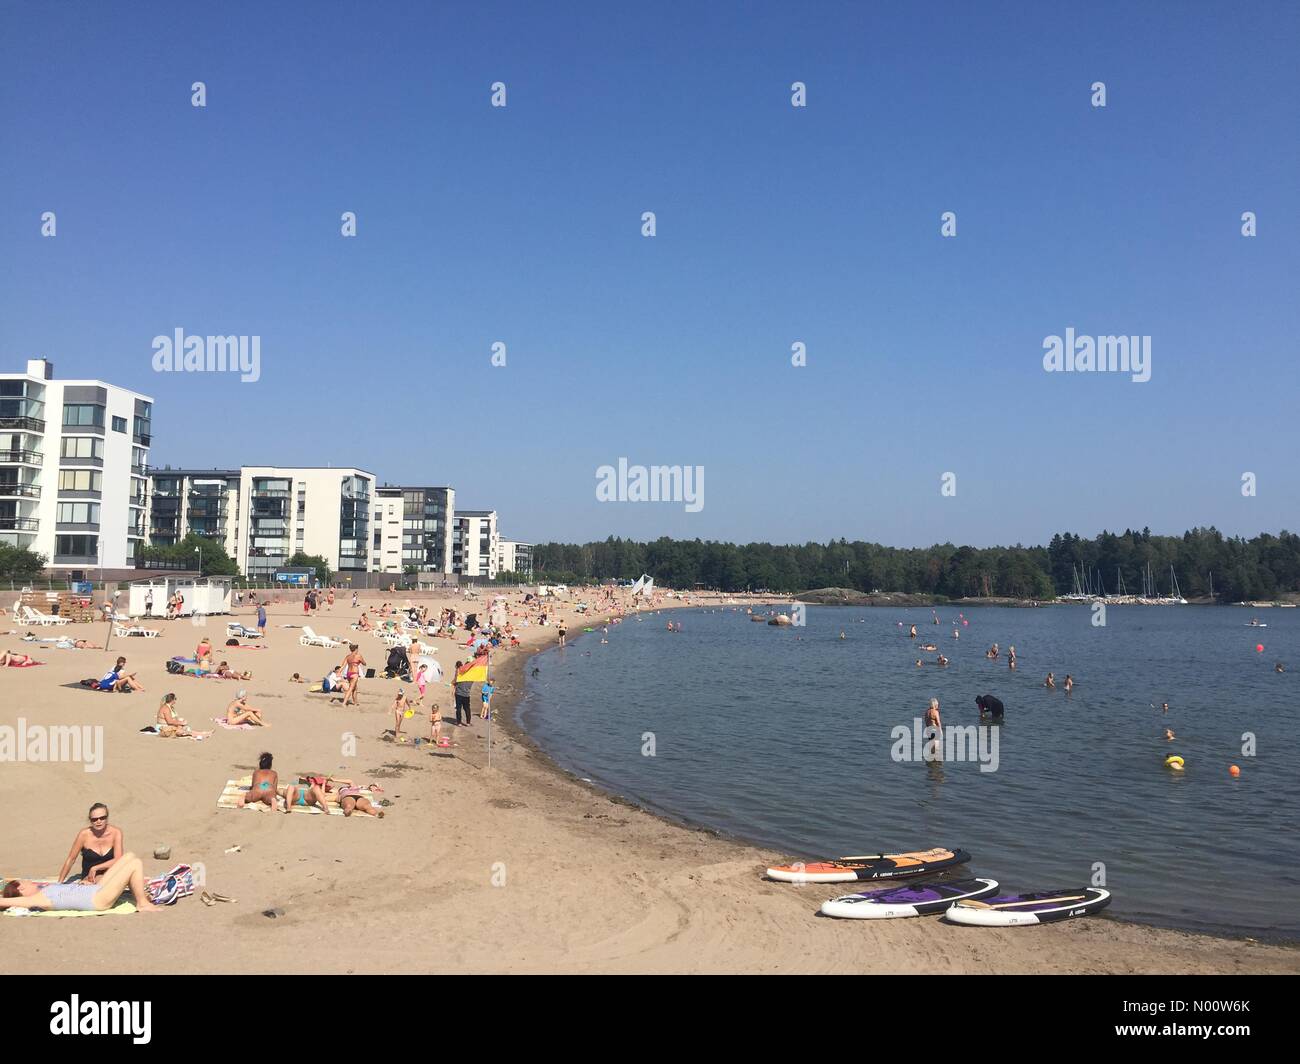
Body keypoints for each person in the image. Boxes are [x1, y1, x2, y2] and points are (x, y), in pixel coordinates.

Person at [2, 854, 161, 913]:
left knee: (129, 857)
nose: (29, 881)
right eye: (25, 881)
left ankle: (139, 893)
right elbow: (3, 900)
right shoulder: (35, 899)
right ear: (21, 888)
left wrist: (81, 884)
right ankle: (142, 903)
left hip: (94, 890)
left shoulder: (43, 889)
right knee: (135, 864)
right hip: (98, 899)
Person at [57, 803, 123, 883]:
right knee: (102, 880)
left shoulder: (116, 832)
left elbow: (118, 859)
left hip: (110, 874)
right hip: (90, 877)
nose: (98, 821)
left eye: (102, 818)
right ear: (90, 820)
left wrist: (95, 868)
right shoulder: (84, 835)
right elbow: (71, 859)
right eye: (94, 819)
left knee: (130, 861)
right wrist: (59, 883)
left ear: (107, 818)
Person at [453, 662, 473, 726]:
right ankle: (468, 722)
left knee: (458, 708)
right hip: (466, 694)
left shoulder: (461, 674)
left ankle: (459, 722)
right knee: (467, 708)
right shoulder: (472, 677)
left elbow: (455, 682)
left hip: (459, 693)